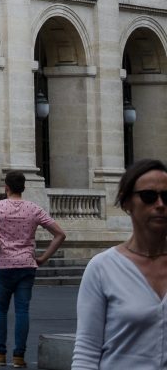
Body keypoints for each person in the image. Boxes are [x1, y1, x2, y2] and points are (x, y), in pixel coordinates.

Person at [72, 157, 167, 370]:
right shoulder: (102, 268)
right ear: (126, 203)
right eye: (149, 196)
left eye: (166, 197)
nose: (160, 205)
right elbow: (86, 351)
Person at [0, 170, 66, 368]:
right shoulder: (33, 209)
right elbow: (60, 235)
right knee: (22, 311)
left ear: (6, 187)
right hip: (27, 265)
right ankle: (19, 356)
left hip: (3, 265)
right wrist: (43, 257)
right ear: (24, 187)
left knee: (0, 311)